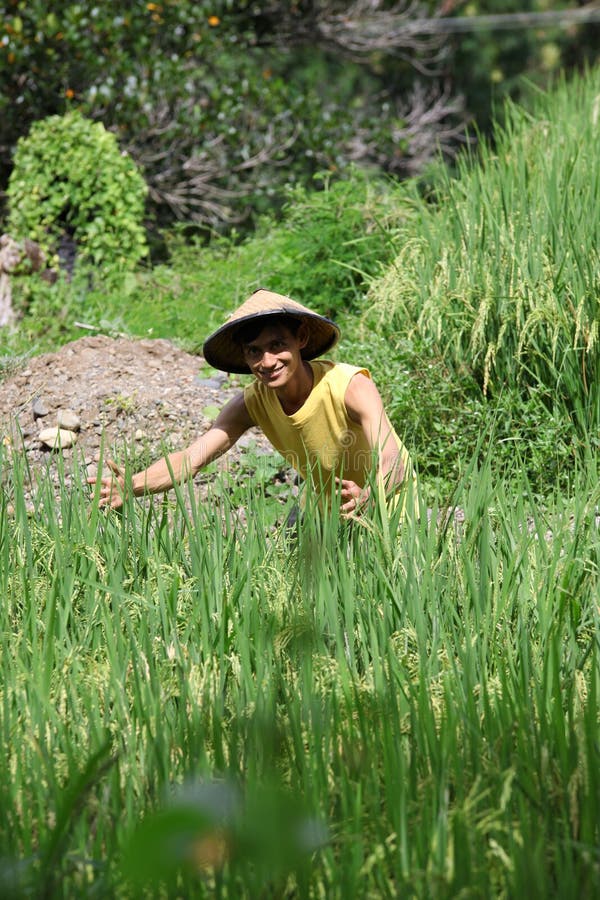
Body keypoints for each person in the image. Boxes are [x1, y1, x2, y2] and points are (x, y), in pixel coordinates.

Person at [89, 289, 416, 518]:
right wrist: (132, 485)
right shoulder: (252, 403)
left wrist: (368, 499)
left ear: (300, 340)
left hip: (390, 511)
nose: (267, 361)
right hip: (330, 515)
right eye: (254, 351)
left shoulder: (349, 385)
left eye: (277, 345)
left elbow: (393, 460)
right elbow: (191, 459)